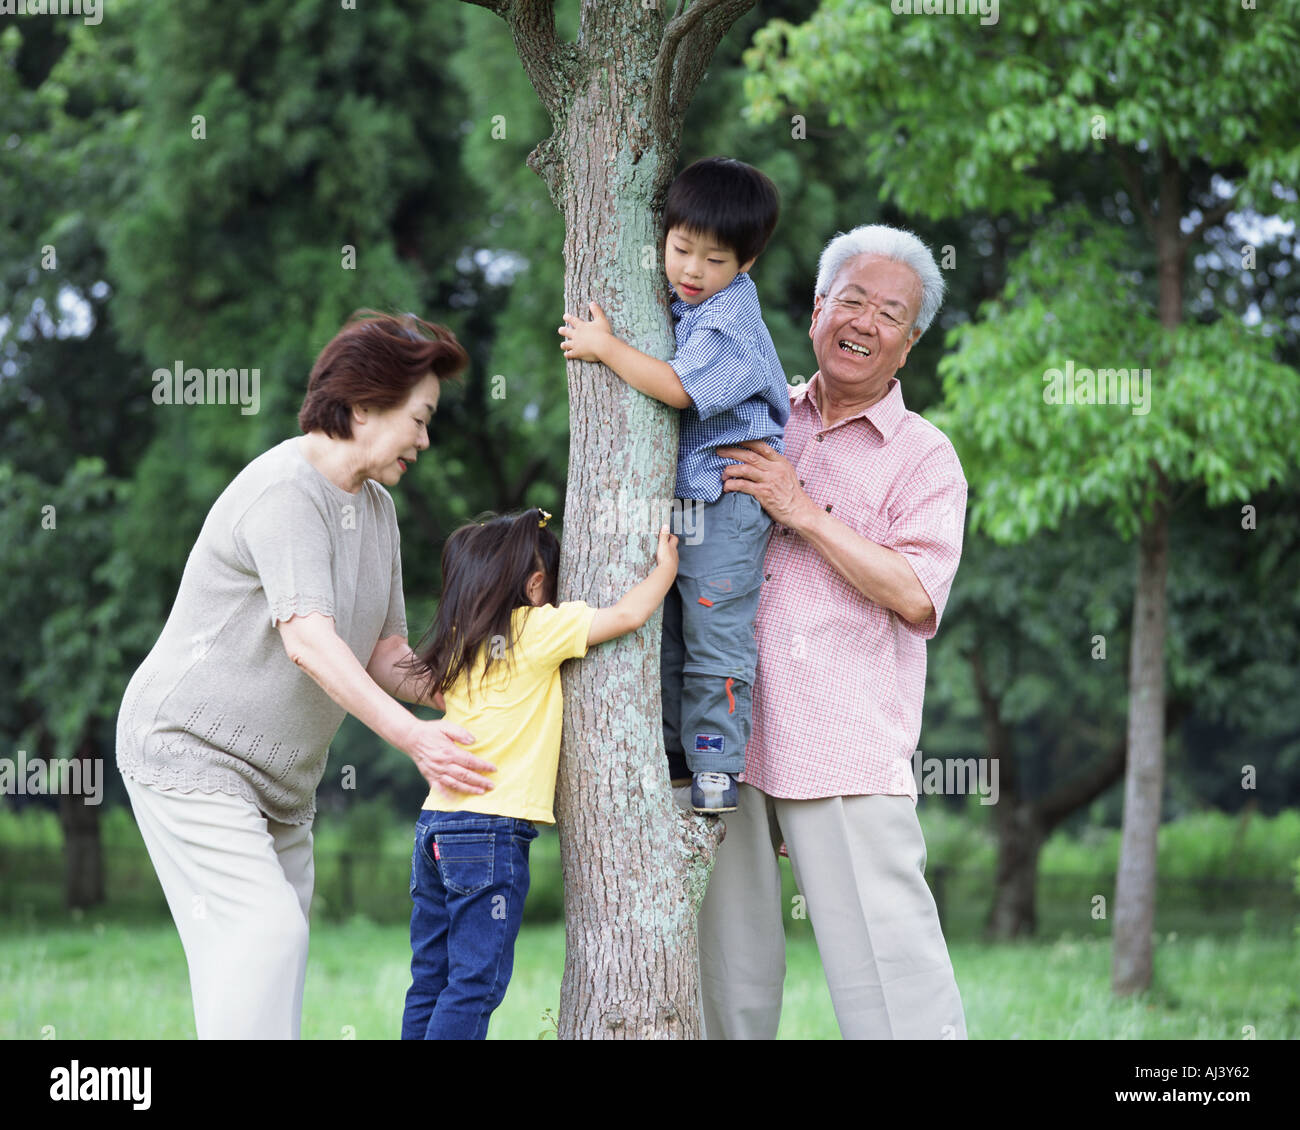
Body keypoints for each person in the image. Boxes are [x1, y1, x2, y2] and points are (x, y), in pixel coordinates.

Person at [115, 311, 498, 1039]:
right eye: (418, 419)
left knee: (268, 957)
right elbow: (311, 642)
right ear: (361, 406)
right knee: (266, 940)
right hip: (189, 753)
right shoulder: (287, 491)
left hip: (280, 783)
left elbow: (384, 650)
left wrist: (478, 692)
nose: (425, 438)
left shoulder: (377, 508)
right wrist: (416, 741)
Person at [686, 224, 970, 1039]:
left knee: (895, 984)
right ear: (816, 310)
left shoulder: (924, 457)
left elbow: (917, 596)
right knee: (726, 988)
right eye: (852, 299)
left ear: (908, 345)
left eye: (890, 314)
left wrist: (802, 512)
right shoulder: (755, 406)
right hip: (723, 739)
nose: (865, 322)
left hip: (841, 748)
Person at [558, 156, 788, 815]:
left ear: (745, 266)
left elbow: (678, 389)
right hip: (686, 501)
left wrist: (605, 348)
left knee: (715, 630)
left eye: (714, 261)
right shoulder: (683, 300)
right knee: (665, 628)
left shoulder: (730, 325)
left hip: (729, 501)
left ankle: (716, 763)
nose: (691, 271)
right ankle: (671, 757)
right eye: (681, 249)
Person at [397, 510, 678, 1039]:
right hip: (490, 831)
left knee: (432, 977)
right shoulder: (533, 628)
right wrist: (665, 568)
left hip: (434, 826)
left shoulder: (460, 642)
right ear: (534, 586)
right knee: (475, 983)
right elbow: (627, 616)